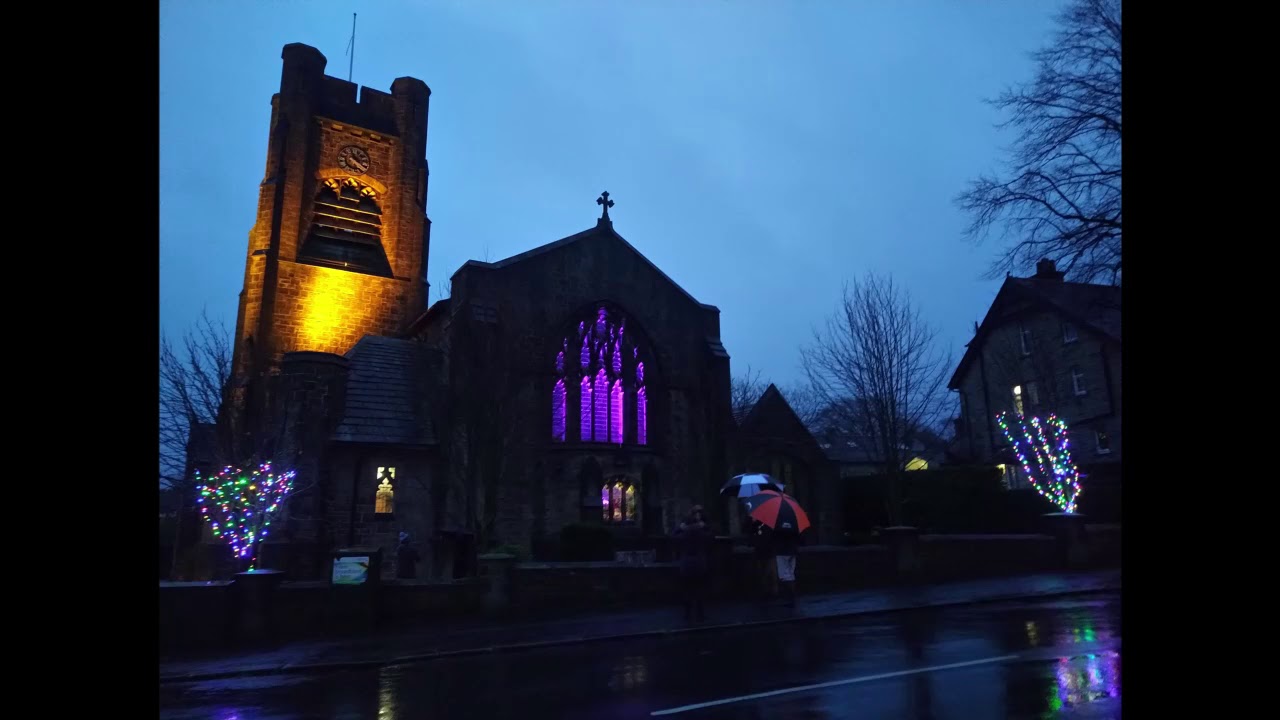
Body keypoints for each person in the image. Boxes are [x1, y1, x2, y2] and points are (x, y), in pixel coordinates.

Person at [673, 505, 713, 622]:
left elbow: (674, 537)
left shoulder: (685, 532)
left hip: (686, 563)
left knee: (687, 589)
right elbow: (711, 536)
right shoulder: (701, 532)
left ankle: (687, 614)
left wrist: (680, 528)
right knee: (699, 589)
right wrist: (705, 526)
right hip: (700, 563)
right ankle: (700, 614)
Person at [771, 521, 801, 607]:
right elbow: (799, 539)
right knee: (790, 574)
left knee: (783, 575)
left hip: (781, 553)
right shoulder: (794, 524)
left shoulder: (777, 525)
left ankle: (788, 597)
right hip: (792, 552)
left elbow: (774, 539)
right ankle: (792, 596)